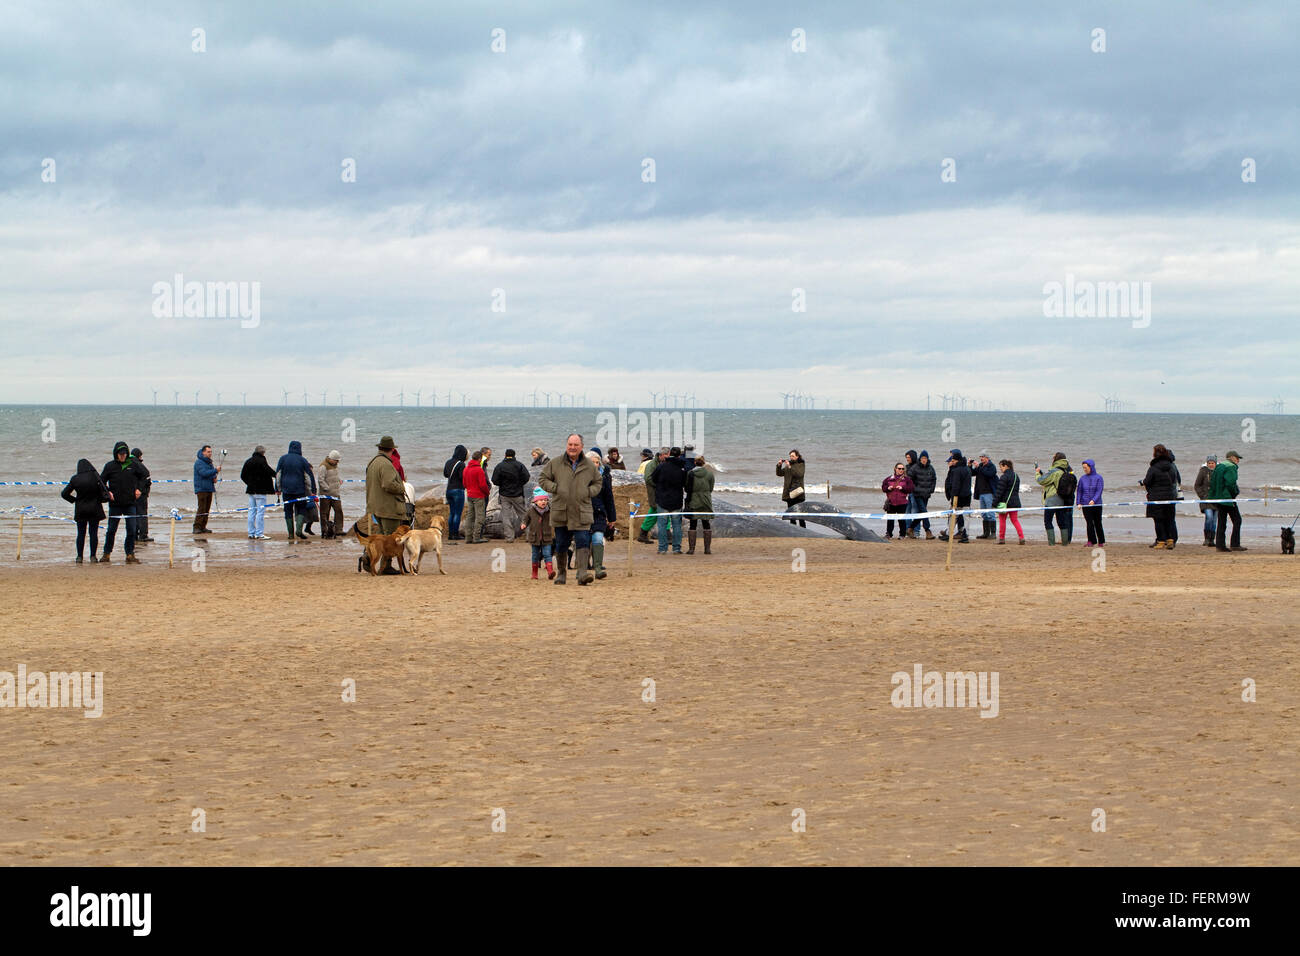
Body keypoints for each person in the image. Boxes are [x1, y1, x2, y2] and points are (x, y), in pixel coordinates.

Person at [539, 433, 603, 585]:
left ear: (581, 447)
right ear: (566, 445)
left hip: (582, 511)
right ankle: (561, 574)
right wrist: (555, 488)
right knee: (561, 543)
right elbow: (542, 479)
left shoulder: (589, 465)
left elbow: (598, 483)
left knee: (582, 541)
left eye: (576, 445)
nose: (572, 447)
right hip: (561, 511)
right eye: (570, 444)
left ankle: (582, 574)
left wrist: (588, 492)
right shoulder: (555, 463)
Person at [365, 436, 408, 573]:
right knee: (391, 538)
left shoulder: (373, 462)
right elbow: (388, 484)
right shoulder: (386, 464)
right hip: (388, 507)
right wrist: (402, 487)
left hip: (376, 506)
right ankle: (386, 566)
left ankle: (368, 556)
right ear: (392, 449)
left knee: (381, 537)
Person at [99, 441, 146, 564]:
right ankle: (106, 554)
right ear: (116, 454)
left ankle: (130, 554)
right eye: (120, 454)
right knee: (111, 530)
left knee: (131, 530)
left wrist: (139, 489)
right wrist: (108, 492)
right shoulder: (110, 466)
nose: (123, 456)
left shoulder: (133, 465)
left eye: (124, 453)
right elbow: (101, 481)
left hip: (130, 503)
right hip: (115, 504)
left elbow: (144, 476)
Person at [62, 458, 108, 563]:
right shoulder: (96, 477)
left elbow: (64, 494)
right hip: (95, 509)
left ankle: (79, 557)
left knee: (81, 534)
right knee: (93, 533)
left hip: (81, 509)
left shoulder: (75, 479)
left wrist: (75, 500)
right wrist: (99, 500)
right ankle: (93, 556)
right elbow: (103, 492)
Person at [275, 440, 317, 542]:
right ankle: (298, 530)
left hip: (286, 490)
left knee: (288, 510)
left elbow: (278, 475)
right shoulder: (303, 460)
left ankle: (290, 534)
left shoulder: (282, 459)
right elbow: (308, 477)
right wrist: (312, 490)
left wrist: (278, 489)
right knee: (301, 508)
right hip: (299, 490)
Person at [650, 445, 688, 554]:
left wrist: (661, 485)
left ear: (670, 453)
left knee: (662, 525)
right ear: (679, 455)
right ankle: (676, 548)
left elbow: (653, 478)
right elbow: (685, 483)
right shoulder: (682, 468)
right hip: (676, 499)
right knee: (676, 525)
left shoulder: (662, 466)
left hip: (662, 499)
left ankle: (662, 548)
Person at [1141, 444, 1178, 550]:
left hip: (1156, 496)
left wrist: (1143, 483)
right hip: (1170, 496)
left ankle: (1161, 541)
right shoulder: (1171, 466)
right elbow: (1175, 479)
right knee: (1169, 519)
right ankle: (1170, 540)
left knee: (1158, 520)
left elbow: (1147, 481)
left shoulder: (1153, 468)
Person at [586, 450, 617, 578]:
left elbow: (609, 497)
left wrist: (612, 517)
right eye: (592, 462)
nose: (595, 465)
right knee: (583, 540)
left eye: (597, 462)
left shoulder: (605, 476)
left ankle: (598, 568)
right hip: (583, 512)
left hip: (599, 512)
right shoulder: (579, 476)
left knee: (598, 538)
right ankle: (582, 569)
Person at [492, 449, 531, 543]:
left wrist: (502, 484)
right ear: (514, 455)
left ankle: (509, 537)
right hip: (517, 494)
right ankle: (529, 536)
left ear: (505, 455)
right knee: (523, 515)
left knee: (506, 516)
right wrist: (519, 484)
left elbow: (494, 480)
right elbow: (527, 477)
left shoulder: (500, 466)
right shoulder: (519, 465)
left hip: (504, 494)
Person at [1035, 452, 1073, 545]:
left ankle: (1051, 543)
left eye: (1053, 458)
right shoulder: (1066, 470)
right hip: (1062, 499)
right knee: (1061, 522)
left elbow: (1041, 480)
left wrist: (1037, 473)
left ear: (1056, 460)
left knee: (1047, 521)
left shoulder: (1054, 471)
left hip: (1051, 499)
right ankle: (1065, 543)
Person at [1211, 451, 1245, 552]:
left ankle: (1219, 545)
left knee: (1221, 521)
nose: (1238, 460)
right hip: (1227, 498)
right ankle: (1235, 544)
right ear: (1231, 458)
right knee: (1237, 520)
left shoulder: (1220, 466)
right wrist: (1235, 493)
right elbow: (1231, 483)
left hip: (1218, 497)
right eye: (1237, 458)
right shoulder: (1231, 467)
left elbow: (1213, 482)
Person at [240, 445, 276, 539]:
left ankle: (251, 533)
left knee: (251, 511)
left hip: (251, 490)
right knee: (260, 512)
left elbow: (243, 475)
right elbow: (269, 471)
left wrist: (249, 483)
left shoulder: (248, 461)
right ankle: (259, 533)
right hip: (261, 490)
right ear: (263, 453)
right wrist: (278, 475)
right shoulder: (262, 461)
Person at [522, 488, 556, 580]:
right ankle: (534, 573)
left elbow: (555, 518)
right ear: (536, 501)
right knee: (535, 555)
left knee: (547, 554)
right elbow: (526, 519)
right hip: (534, 537)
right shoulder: (531, 511)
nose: (543, 502)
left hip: (547, 536)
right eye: (541, 500)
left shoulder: (550, 510)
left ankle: (550, 571)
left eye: (545, 500)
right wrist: (524, 524)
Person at [938, 449, 972, 543]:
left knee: (953, 516)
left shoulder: (957, 470)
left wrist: (953, 497)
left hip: (959, 497)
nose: (952, 462)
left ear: (956, 460)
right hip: (967, 496)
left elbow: (955, 485)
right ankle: (965, 535)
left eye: (953, 460)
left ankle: (950, 534)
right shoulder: (967, 469)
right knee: (966, 517)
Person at [684, 454, 715, 554]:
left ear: (694, 462)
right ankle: (707, 549)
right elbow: (711, 488)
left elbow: (687, 488)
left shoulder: (690, 473)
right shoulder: (710, 474)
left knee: (693, 524)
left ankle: (691, 549)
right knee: (706, 523)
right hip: (706, 500)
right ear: (704, 463)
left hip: (694, 500)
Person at [636, 447, 665, 544]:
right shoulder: (651, 464)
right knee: (661, 511)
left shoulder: (655, 463)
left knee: (654, 512)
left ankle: (643, 533)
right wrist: (660, 484)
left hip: (658, 493)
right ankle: (668, 535)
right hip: (655, 493)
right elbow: (647, 478)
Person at [462, 450, 491, 544]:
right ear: (479, 459)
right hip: (478, 495)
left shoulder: (466, 469)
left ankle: (468, 537)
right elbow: (483, 485)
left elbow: (464, 483)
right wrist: (487, 492)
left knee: (470, 517)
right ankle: (476, 537)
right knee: (480, 517)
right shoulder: (479, 470)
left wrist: (469, 489)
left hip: (469, 494)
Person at [907, 450, 937, 539]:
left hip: (926, 494)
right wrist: (914, 489)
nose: (924, 460)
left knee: (921, 513)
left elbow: (934, 479)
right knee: (924, 511)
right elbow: (909, 479)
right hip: (917, 494)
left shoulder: (931, 468)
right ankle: (928, 531)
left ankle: (910, 528)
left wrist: (931, 489)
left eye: (925, 458)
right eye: (923, 458)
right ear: (920, 459)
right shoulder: (915, 467)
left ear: (927, 459)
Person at [993, 459, 1025, 544]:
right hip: (1015, 502)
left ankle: (1002, 538)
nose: (1000, 469)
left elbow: (1000, 491)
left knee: (1002, 520)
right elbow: (1016, 490)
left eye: (1001, 467)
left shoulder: (1004, 477)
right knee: (1015, 520)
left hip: (1005, 503)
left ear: (1006, 466)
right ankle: (1021, 537)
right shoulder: (1016, 476)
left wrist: (994, 503)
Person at [882, 462, 914, 540]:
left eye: (902, 469)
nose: (901, 470)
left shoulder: (907, 479)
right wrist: (888, 488)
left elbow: (911, 489)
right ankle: (889, 534)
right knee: (890, 520)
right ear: (895, 469)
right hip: (891, 502)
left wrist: (902, 488)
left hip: (902, 502)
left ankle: (902, 535)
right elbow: (883, 487)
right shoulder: (889, 478)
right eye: (899, 468)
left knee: (901, 520)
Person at [442, 445, 468, 541]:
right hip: (458, 490)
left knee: (452, 513)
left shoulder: (448, 462)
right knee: (457, 513)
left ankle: (450, 534)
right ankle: (455, 534)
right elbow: (462, 477)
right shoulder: (461, 464)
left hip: (449, 490)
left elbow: (445, 474)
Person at [1077, 458, 1105, 547]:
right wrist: (1078, 502)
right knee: (1089, 523)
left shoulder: (1099, 478)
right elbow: (1079, 491)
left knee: (1098, 522)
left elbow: (1099, 490)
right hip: (1085, 504)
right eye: (1083, 468)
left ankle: (1101, 541)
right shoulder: (1082, 478)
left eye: (1086, 468)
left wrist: (1094, 500)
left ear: (1091, 467)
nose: (1085, 469)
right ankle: (1091, 541)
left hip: (1097, 504)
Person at [971, 451, 999, 540]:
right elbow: (972, 473)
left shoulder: (991, 466)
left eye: (983, 457)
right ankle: (986, 533)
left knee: (990, 513)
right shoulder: (980, 466)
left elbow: (989, 474)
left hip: (989, 493)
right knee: (984, 513)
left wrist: (979, 467)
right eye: (980, 457)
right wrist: (969, 465)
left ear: (987, 458)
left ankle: (993, 533)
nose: (981, 458)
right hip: (981, 493)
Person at [317, 451, 344, 539]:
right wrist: (327, 488)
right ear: (331, 459)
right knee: (324, 513)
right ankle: (324, 531)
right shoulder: (323, 466)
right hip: (326, 494)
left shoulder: (335, 466)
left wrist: (339, 480)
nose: (337, 462)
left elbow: (335, 476)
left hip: (336, 494)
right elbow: (320, 480)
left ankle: (339, 529)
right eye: (336, 460)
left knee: (339, 511)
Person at [192, 445, 220, 533]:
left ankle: (203, 527)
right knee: (201, 508)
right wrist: (215, 470)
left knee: (207, 509)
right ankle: (196, 527)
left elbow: (210, 473)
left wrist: (214, 477)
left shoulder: (209, 462)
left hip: (209, 488)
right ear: (203, 452)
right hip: (201, 488)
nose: (210, 453)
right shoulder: (199, 462)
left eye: (211, 452)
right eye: (208, 452)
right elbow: (203, 473)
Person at [778, 449, 807, 528]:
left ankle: (803, 529)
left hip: (798, 493)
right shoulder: (788, 465)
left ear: (797, 456)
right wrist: (779, 465)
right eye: (790, 456)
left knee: (800, 514)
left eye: (793, 456)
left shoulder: (801, 464)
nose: (791, 457)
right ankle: (793, 530)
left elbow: (799, 474)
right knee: (791, 514)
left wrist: (790, 467)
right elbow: (779, 473)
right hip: (789, 493)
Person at [1194, 454, 1218, 546]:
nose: (1211, 464)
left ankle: (1212, 539)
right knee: (1209, 518)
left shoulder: (1218, 471)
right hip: (1206, 500)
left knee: (1214, 521)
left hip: (1216, 500)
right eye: (1209, 463)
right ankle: (1206, 538)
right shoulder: (1203, 471)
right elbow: (1197, 485)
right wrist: (1202, 496)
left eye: (1213, 463)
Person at [132, 448, 153, 543]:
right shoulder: (139, 464)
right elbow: (147, 476)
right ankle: (143, 535)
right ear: (139, 456)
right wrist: (142, 489)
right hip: (141, 494)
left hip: (131, 494)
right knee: (142, 513)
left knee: (134, 514)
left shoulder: (128, 463)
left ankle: (134, 534)